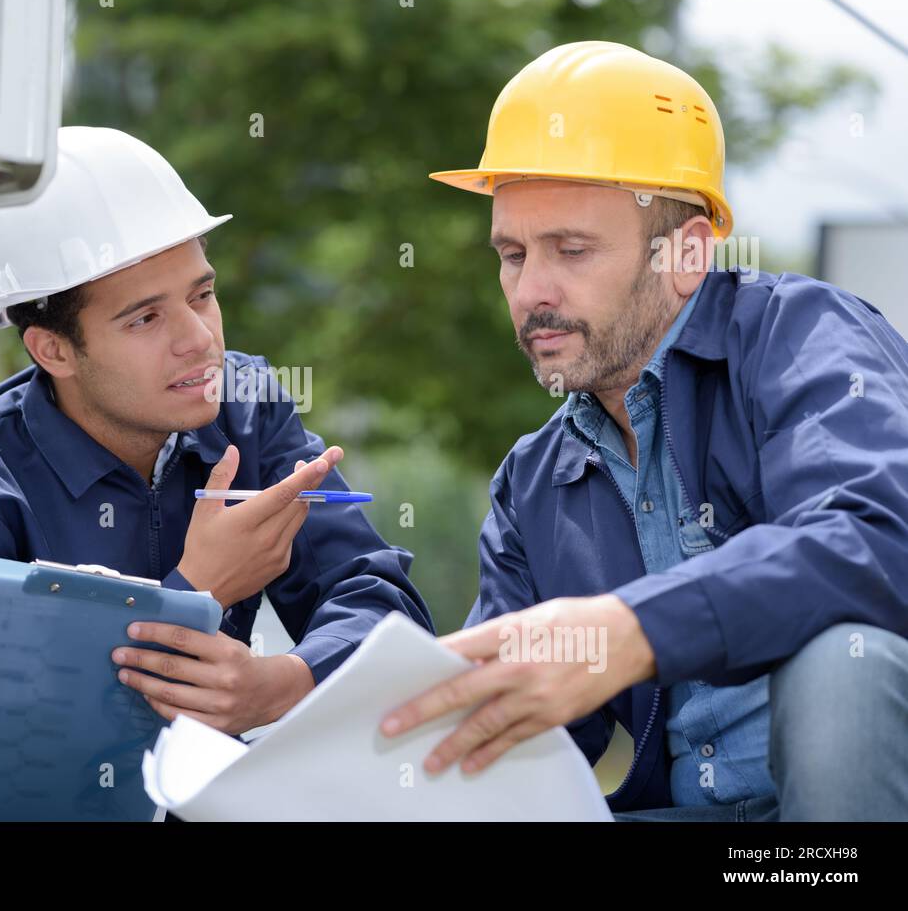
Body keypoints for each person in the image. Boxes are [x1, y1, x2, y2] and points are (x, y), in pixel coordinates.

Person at [383, 41, 908, 820]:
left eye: (571, 249)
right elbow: (506, 735)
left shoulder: (801, 338)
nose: (532, 291)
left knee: (842, 663)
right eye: (513, 254)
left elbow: (878, 535)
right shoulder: (533, 483)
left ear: (688, 251)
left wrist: (631, 630)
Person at [0, 126, 433, 820]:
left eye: (202, 293)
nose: (199, 338)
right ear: (54, 350)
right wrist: (197, 591)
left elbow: (386, 610)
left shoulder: (245, 410)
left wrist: (280, 683)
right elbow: (11, 762)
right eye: (146, 317)